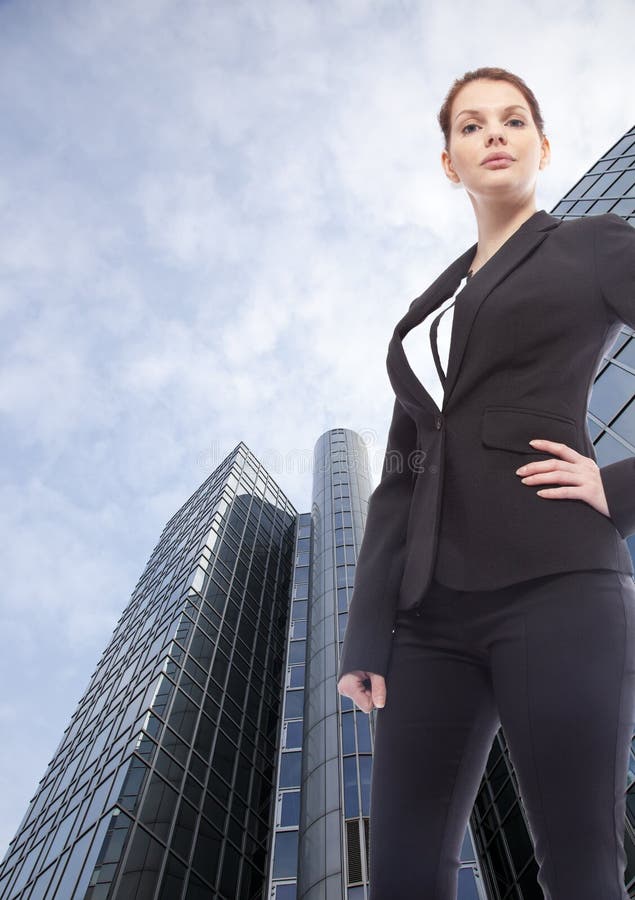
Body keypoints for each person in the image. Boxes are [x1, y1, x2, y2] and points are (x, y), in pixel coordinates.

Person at [336, 66, 635, 900]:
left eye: (512, 121)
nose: (493, 135)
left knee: (578, 864)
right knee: (399, 874)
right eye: (471, 126)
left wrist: (620, 488)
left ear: (542, 146)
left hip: (557, 586)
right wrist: (367, 634)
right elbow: (398, 480)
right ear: (448, 162)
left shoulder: (592, 245)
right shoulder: (426, 316)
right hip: (425, 620)